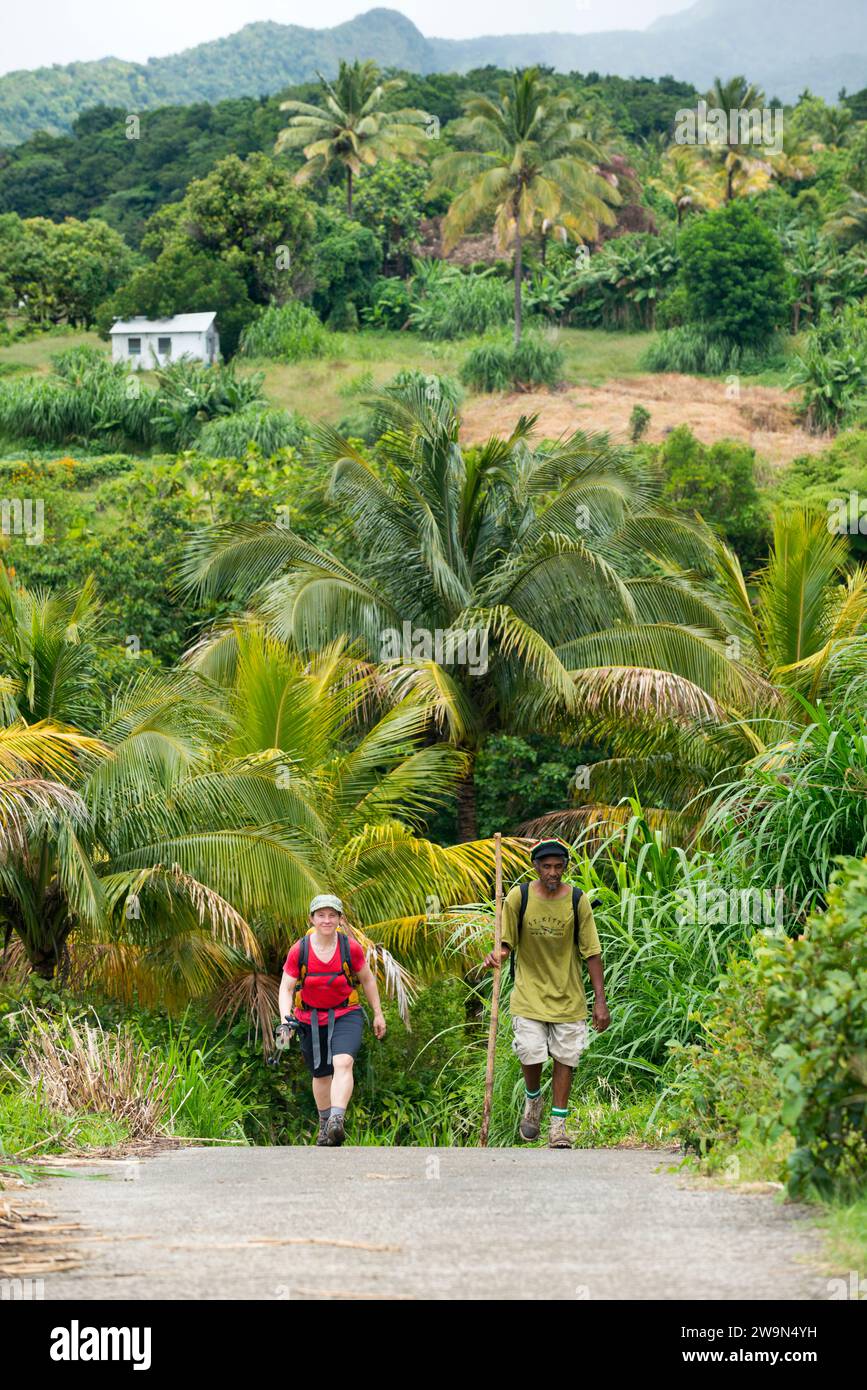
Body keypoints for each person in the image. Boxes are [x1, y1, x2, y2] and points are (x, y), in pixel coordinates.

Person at [483, 839, 610, 1149]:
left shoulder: (577, 901)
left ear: (564, 867)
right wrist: (497, 954)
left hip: (569, 997)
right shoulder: (519, 897)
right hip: (529, 994)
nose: (553, 872)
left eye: (558, 866)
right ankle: (532, 1101)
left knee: (566, 1058)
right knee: (530, 1051)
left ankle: (558, 1126)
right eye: (547, 867)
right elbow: (506, 942)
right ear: (536, 867)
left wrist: (600, 1000)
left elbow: (592, 952)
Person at [278, 894, 386, 1147]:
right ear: (312, 919)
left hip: (345, 1013)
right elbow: (286, 988)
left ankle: (337, 1120)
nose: (327, 920)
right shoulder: (300, 950)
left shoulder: (351, 948)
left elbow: (368, 979)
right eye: (321, 915)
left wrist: (378, 1013)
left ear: (340, 919)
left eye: (332, 915)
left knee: (343, 1062)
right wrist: (286, 1020)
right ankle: (325, 1124)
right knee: (321, 1074)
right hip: (309, 1018)